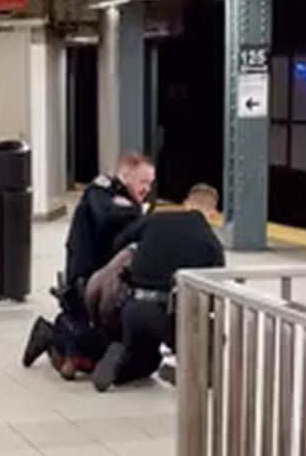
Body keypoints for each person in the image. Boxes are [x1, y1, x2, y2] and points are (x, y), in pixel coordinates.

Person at [22, 153, 155, 379]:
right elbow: (106, 216)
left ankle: (68, 347)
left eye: (150, 183)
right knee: (87, 333)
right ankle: (50, 335)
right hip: (84, 274)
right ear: (125, 176)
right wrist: (136, 212)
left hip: (108, 275)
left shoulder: (128, 200)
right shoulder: (99, 190)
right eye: (143, 182)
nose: (147, 189)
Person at [91, 183, 226, 392]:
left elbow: (120, 241)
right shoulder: (210, 243)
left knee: (143, 362)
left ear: (186, 204)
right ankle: (194, 372)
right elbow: (214, 292)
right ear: (213, 214)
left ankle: (120, 359)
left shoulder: (156, 219)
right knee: (212, 332)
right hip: (168, 315)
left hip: (131, 308)